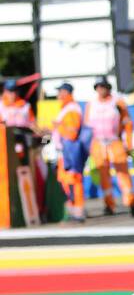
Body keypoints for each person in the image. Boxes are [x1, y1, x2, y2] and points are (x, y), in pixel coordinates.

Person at [85, 76, 134, 216]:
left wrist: (129, 144)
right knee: (103, 175)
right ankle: (109, 204)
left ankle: (131, 203)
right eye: (98, 87)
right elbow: (87, 127)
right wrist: (89, 146)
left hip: (114, 141)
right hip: (98, 143)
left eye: (103, 86)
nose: (100, 89)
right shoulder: (91, 104)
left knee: (123, 174)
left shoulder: (118, 102)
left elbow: (128, 124)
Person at [51, 83, 88, 223]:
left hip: (71, 151)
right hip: (64, 152)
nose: (58, 94)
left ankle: (78, 212)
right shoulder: (66, 108)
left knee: (74, 180)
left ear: (66, 92)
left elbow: (71, 134)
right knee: (66, 181)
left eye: (60, 91)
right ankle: (73, 210)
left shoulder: (71, 109)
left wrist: (57, 126)